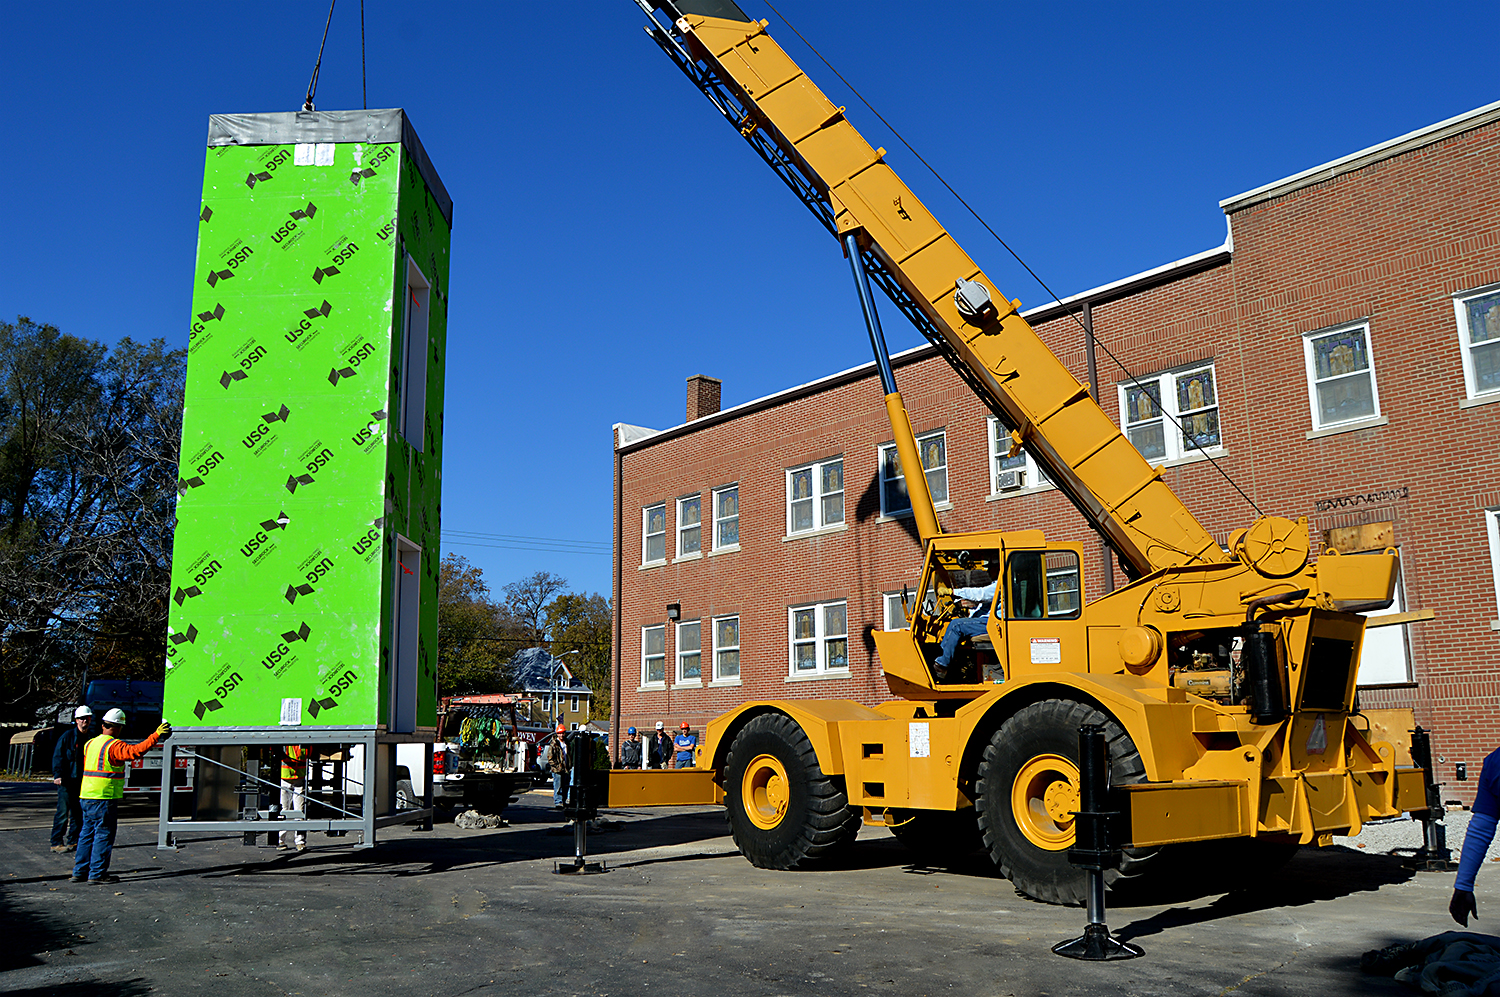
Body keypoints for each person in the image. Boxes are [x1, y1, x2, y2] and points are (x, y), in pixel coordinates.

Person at [72, 708, 170, 885]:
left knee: (86, 834)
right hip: (104, 797)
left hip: (86, 795)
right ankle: (97, 873)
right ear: (118, 728)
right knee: (103, 835)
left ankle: (80, 872)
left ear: (102, 725)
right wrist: (156, 735)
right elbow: (136, 752)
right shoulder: (114, 746)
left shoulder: (90, 744)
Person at [1451, 745, 1500, 925]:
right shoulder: (1494, 762)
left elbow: (1481, 828)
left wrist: (1463, 885)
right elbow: (1481, 827)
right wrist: (1463, 885)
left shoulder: (1495, 761)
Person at [933, 566, 1001, 681]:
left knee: (956, 625)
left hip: (993, 623)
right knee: (959, 624)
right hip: (991, 620)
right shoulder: (999, 585)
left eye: (991, 566)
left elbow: (981, 594)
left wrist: (953, 591)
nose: (989, 570)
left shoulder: (1000, 585)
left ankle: (941, 665)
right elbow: (983, 604)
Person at [50, 706, 94, 854]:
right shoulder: (67, 737)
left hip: (83, 781)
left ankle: (73, 841)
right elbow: (58, 756)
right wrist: (58, 775)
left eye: (87, 719)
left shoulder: (92, 738)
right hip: (67, 781)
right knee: (63, 813)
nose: (84, 721)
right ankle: (56, 842)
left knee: (78, 812)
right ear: (76, 720)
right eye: (81, 719)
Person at [278, 745, 309, 852]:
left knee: (286, 812)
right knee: (295, 812)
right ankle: (298, 842)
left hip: (290, 777)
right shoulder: (305, 743)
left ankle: (283, 841)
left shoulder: (285, 742)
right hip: (292, 778)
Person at [547, 724, 569, 808]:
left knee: (565, 785)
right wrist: (556, 766)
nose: (561, 735)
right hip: (557, 770)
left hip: (565, 768)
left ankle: (563, 801)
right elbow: (550, 757)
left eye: (563, 733)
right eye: (560, 733)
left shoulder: (567, 742)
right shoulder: (554, 744)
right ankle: (558, 802)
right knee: (558, 786)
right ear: (557, 734)